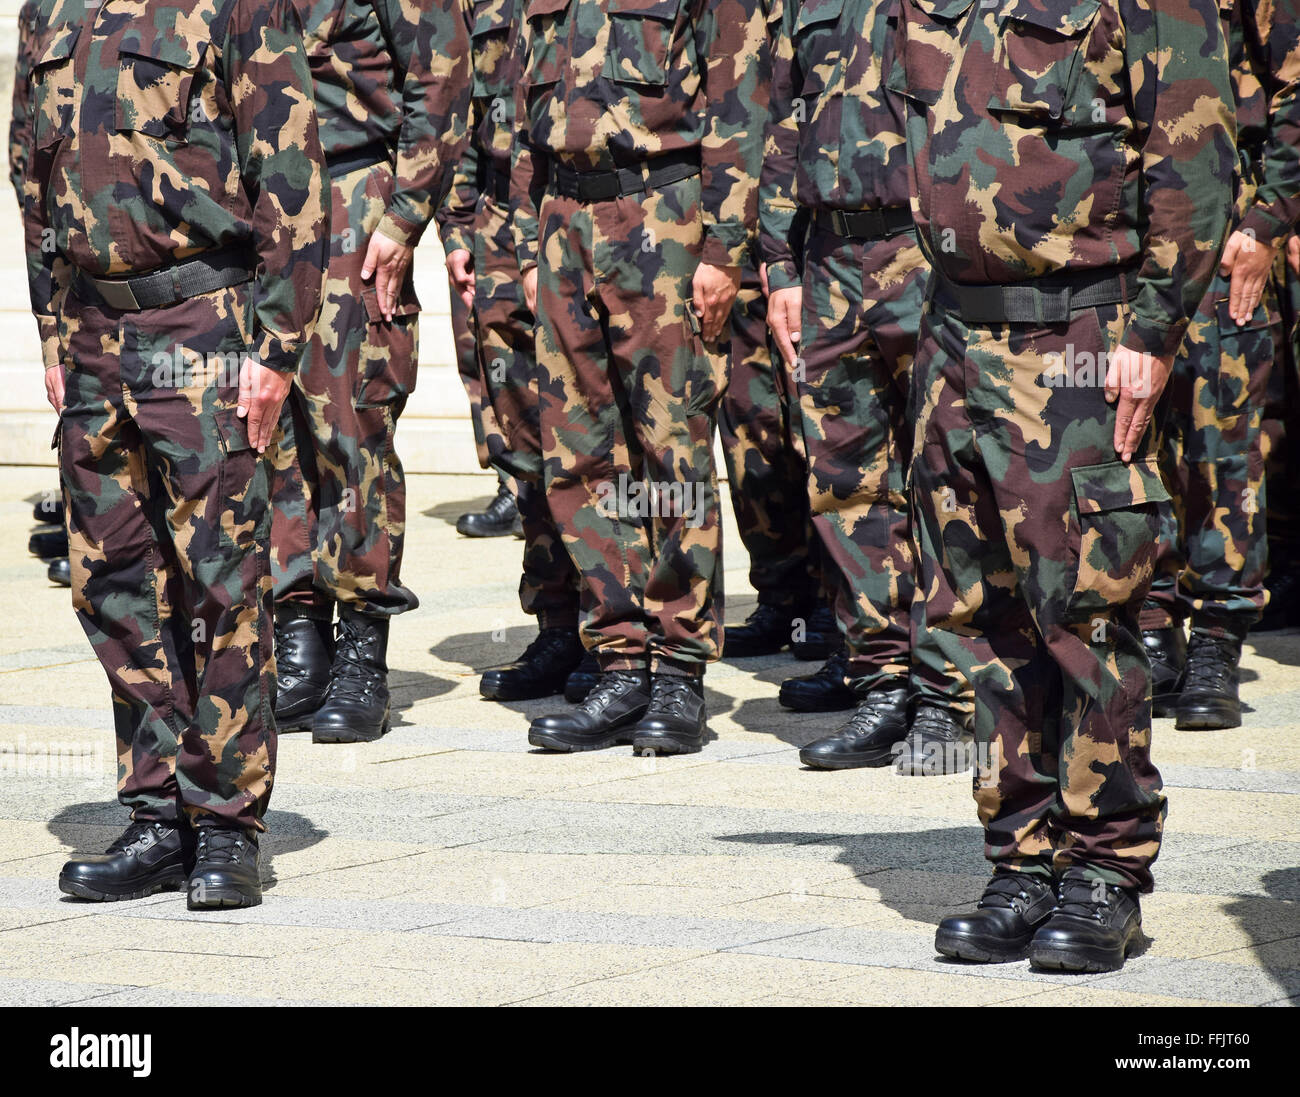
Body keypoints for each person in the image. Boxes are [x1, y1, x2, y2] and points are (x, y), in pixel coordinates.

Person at [891, 0, 1234, 969]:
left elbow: (1196, 159)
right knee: (980, 613)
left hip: (1077, 338)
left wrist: (1154, 331)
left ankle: (1103, 864)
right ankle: (1021, 854)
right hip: (954, 332)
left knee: (1085, 605)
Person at [29, 0, 329, 908]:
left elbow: (291, 171)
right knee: (113, 576)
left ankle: (229, 825)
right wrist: (49, 320)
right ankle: (158, 812)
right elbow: (27, 170)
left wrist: (277, 345)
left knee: (219, 578)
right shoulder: (51, 9)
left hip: (201, 321)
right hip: (92, 326)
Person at [511, 0, 770, 754]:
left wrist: (723, 249)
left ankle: (680, 665)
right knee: (580, 451)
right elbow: (526, 105)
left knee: (671, 449)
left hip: (662, 212)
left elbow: (736, 99)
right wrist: (535, 238)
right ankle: (620, 660)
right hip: (565, 219)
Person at [760, 0, 973, 774]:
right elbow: (784, 121)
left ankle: (951, 693)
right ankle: (883, 679)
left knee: (947, 477)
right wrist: (778, 261)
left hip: (929, 252)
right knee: (844, 476)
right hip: (829, 258)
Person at [270, 0, 471, 743]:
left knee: (351, 430)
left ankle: (362, 651)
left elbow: (441, 72)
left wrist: (407, 211)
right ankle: (299, 642)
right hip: (262, 208)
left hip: (354, 195)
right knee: (271, 434)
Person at [1143, 0, 1300, 730]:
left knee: (1221, 443)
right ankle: (1151, 625)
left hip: (1220, 228)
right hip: (1119, 237)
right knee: (1128, 441)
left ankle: (1216, 639)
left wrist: (1269, 217)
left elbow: (1298, 82)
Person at [437, 0, 592, 704]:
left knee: (591, 437)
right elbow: (461, 96)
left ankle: (614, 630)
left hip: (579, 205)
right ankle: (558, 622)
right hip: (501, 215)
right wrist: (459, 218)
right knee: (524, 435)